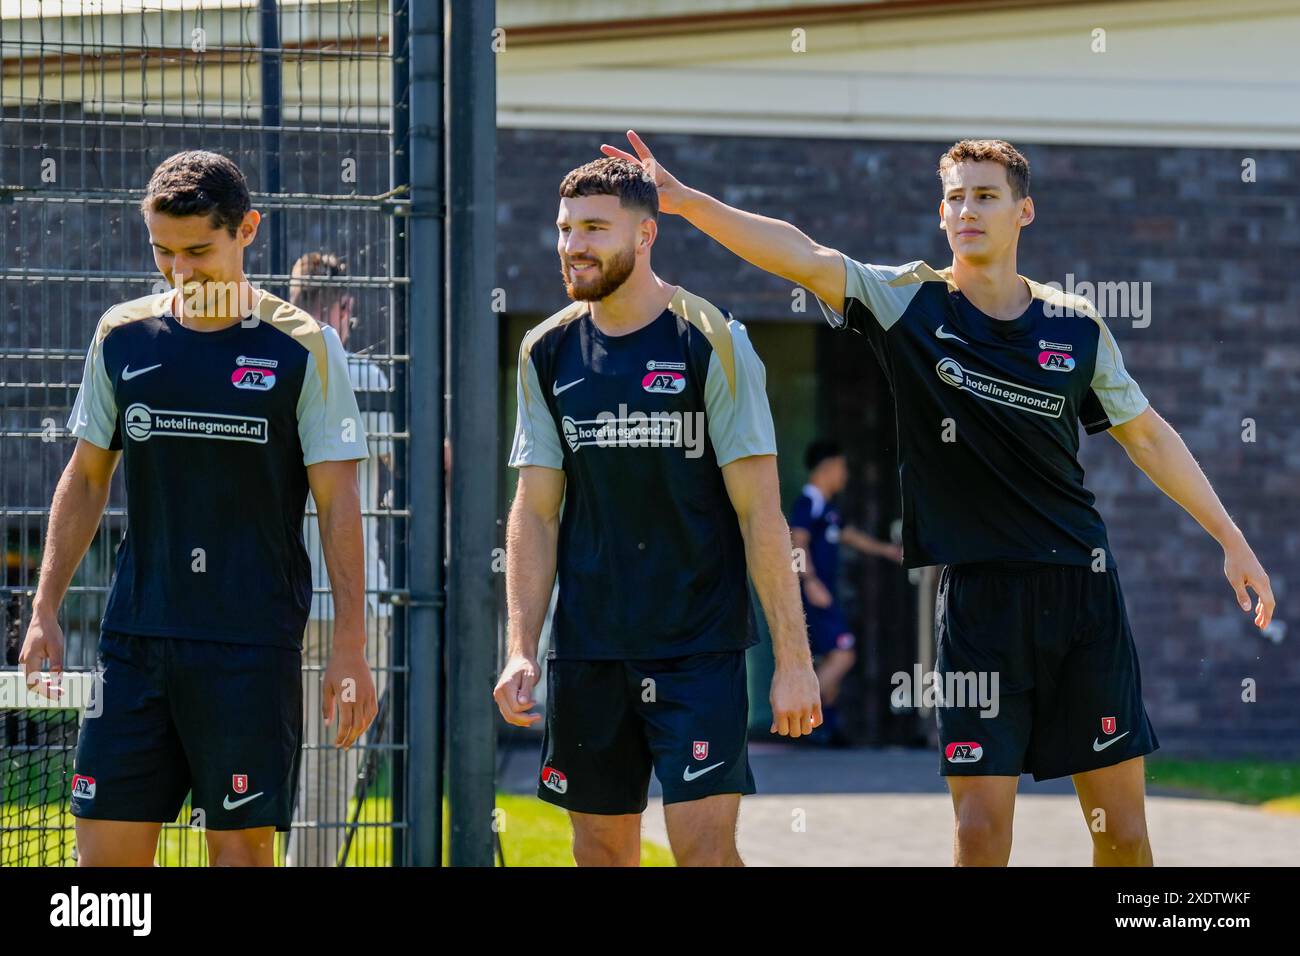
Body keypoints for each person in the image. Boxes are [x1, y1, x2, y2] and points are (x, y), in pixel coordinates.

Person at [602, 131, 1274, 866]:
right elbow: (804, 255)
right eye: (954, 197)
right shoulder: (906, 303)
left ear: (1025, 211)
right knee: (979, 834)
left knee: (1123, 834)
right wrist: (689, 203)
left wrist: (1230, 538)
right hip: (978, 605)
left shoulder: (1075, 325)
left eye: (986, 196)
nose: (967, 210)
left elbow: (1148, 437)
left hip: (1081, 598)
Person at [19, 150, 377, 867]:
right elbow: (86, 478)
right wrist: (44, 608)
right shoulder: (121, 336)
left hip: (249, 644)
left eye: (198, 251)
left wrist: (351, 645)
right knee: (103, 867)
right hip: (136, 640)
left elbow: (339, 501)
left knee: (239, 857)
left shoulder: (307, 346)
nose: (181, 271)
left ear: (247, 229)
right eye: (163, 252)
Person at [492, 157, 821, 867]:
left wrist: (793, 661)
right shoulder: (544, 349)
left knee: (703, 852)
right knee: (602, 854)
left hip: (697, 647)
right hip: (590, 648)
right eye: (565, 229)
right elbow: (536, 511)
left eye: (594, 230)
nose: (573, 245)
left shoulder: (713, 338)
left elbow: (760, 511)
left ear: (645, 236)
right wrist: (521, 645)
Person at [285, 251, 394, 867]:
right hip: (353, 606)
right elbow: (433, 461)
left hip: (282, 602)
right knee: (331, 767)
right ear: (345, 309)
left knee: (273, 755)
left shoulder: (275, 370)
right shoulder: (367, 377)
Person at [790, 439, 902, 745]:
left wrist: (887, 551)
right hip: (814, 594)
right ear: (826, 468)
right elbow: (795, 542)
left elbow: (848, 536)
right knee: (843, 654)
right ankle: (800, 716)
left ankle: (825, 727)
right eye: (842, 468)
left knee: (826, 658)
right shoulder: (807, 502)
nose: (845, 475)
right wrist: (809, 581)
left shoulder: (826, 507)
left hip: (822, 593)